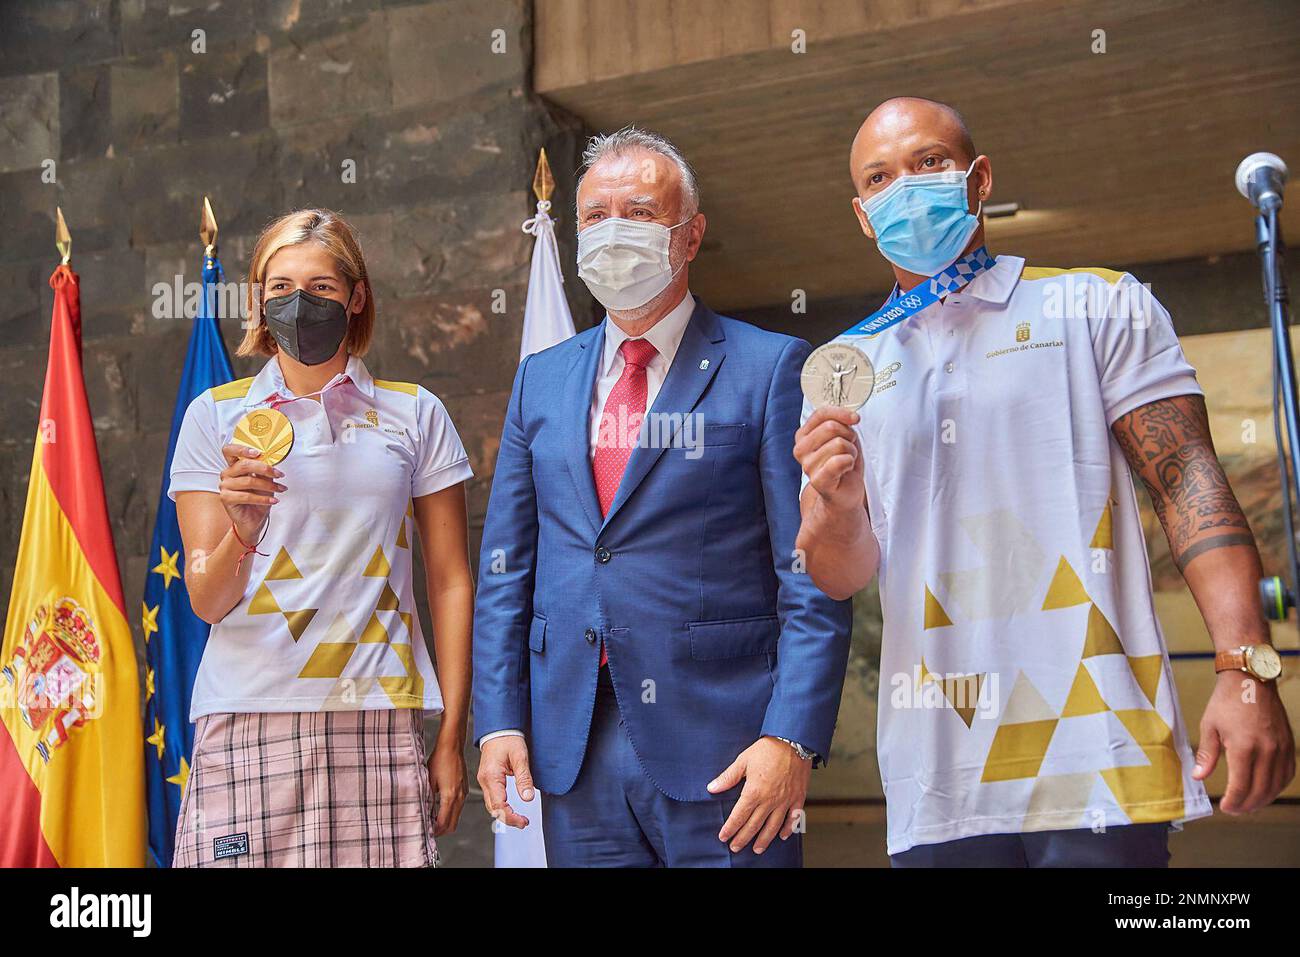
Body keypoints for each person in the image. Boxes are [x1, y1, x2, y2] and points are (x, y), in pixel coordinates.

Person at [794, 97, 1295, 867]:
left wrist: (1247, 668)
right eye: (881, 177)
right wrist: (831, 503)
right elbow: (841, 572)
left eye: (929, 163)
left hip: (1102, 753)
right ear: (864, 216)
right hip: (937, 773)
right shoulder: (841, 368)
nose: (908, 188)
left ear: (978, 178)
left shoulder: (1098, 302)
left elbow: (1186, 478)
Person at [473, 128, 852, 867]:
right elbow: (505, 566)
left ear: (691, 235)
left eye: (641, 213)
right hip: (572, 742)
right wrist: (497, 719)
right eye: (594, 215)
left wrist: (792, 735)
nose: (613, 231)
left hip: (729, 747)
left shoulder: (769, 367)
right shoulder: (541, 380)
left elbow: (809, 569)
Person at [170, 208, 474, 867]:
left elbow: (449, 580)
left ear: (356, 296)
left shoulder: (415, 412)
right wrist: (243, 533)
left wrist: (451, 734)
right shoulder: (214, 416)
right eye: (279, 288)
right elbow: (205, 597)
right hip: (247, 711)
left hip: (377, 714)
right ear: (258, 299)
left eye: (321, 288)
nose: (299, 304)